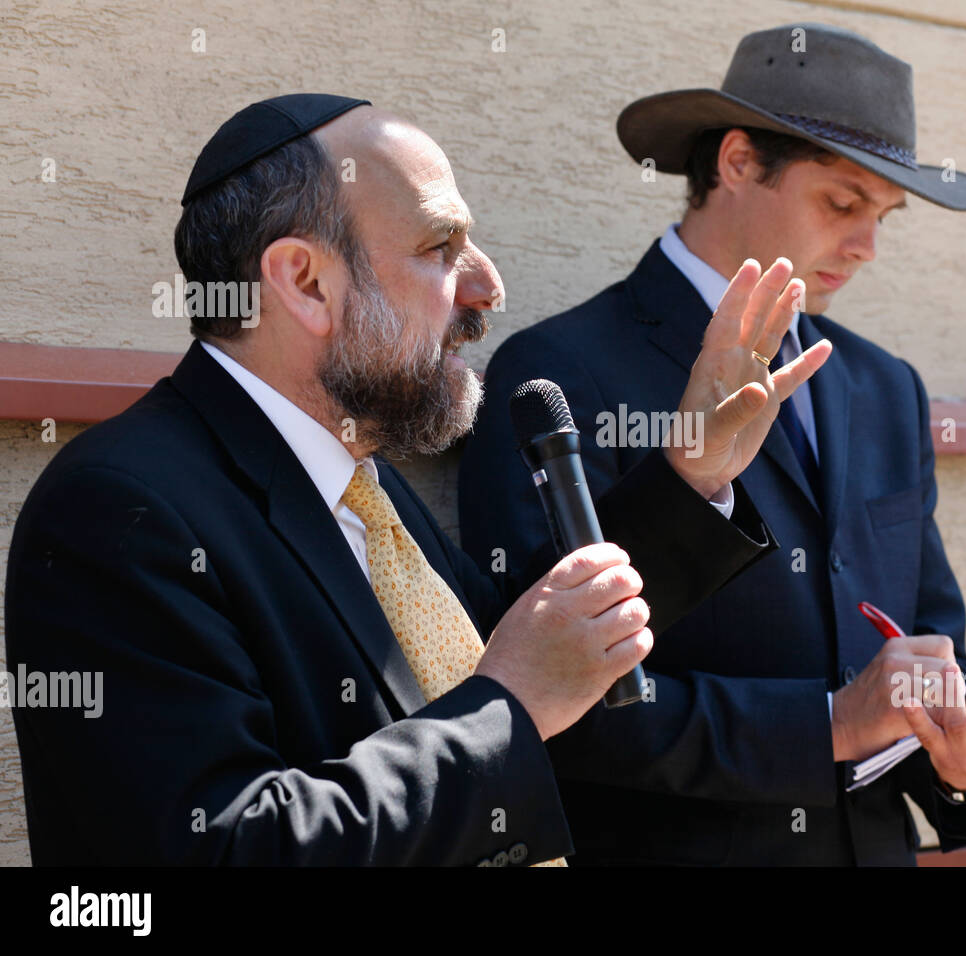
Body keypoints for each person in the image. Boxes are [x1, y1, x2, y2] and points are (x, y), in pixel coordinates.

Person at [3, 93, 829, 865]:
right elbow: (216, 848)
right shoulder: (119, 509)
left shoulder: (369, 485)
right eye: (442, 249)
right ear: (305, 282)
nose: (487, 288)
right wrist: (506, 707)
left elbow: (533, 649)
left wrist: (692, 473)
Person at [459, 24, 966, 865]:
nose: (867, 247)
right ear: (739, 162)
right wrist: (828, 726)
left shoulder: (885, 386)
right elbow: (537, 704)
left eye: (884, 215)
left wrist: (964, 761)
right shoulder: (560, 370)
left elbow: (929, 643)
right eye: (842, 202)